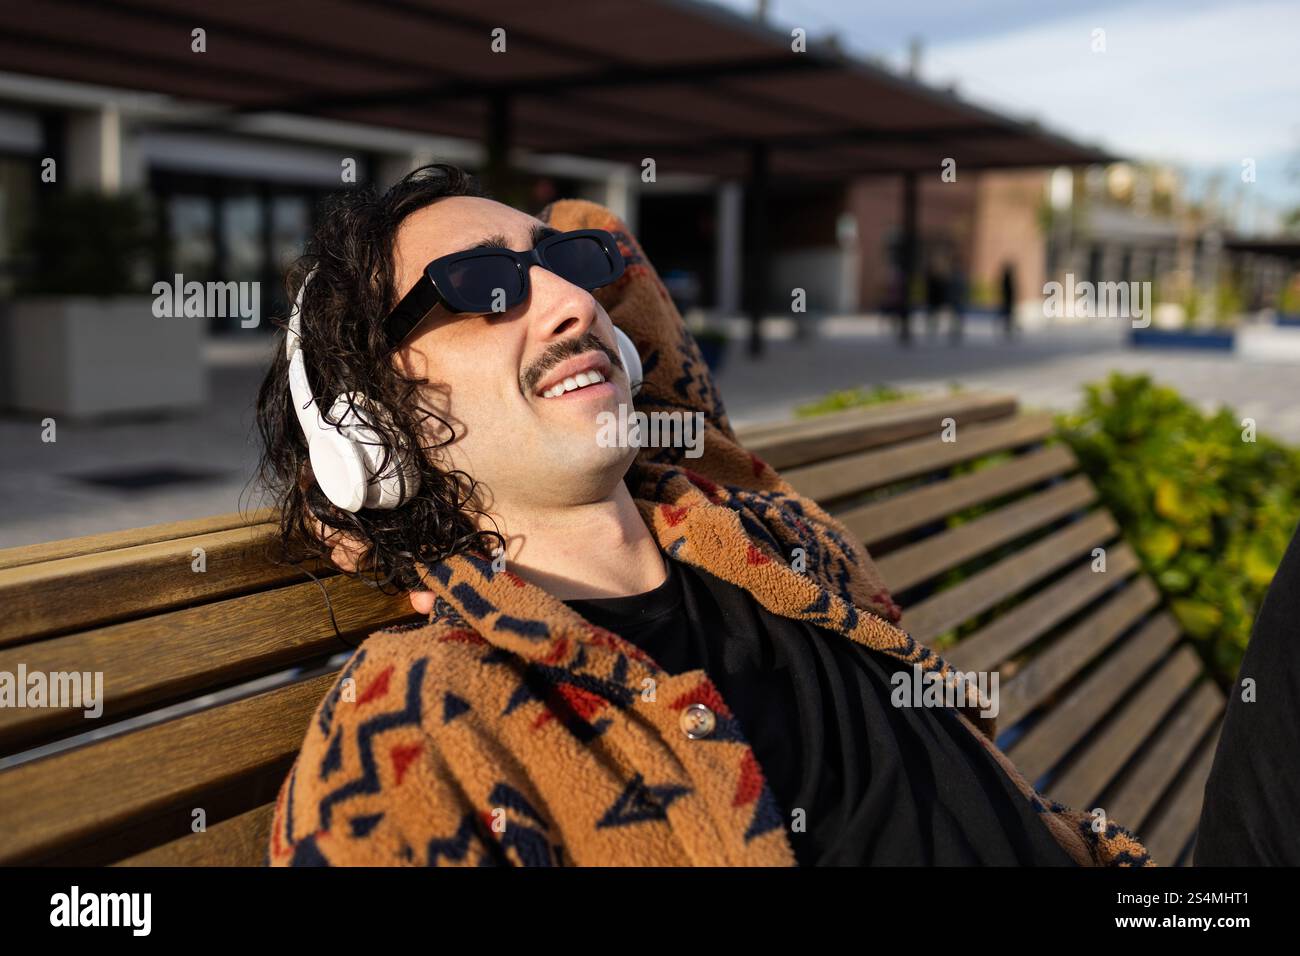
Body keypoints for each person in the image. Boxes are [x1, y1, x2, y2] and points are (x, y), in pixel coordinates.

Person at [258, 162, 1150, 867]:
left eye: (567, 273)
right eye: (486, 286)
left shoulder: (758, 530)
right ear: (373, 422)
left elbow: (601, 236)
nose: (574, 302)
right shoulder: (424, 721)